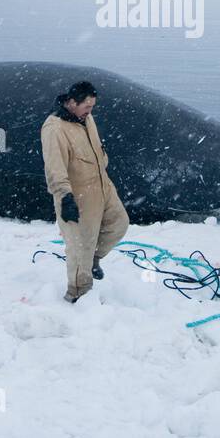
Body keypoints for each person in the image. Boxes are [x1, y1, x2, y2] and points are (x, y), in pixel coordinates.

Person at [41, 80, 130, 303]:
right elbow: (54, 167)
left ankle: (94, 259)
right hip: (78, 193)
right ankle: (78, 294)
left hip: (101, 183)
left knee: (119, 223)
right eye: (87, 107)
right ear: (72, 102)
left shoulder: (85, 118)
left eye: (92, 107)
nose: (91, 111)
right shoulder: (55, 129)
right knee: (81, 244)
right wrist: (65, 198)